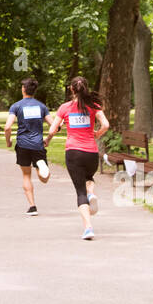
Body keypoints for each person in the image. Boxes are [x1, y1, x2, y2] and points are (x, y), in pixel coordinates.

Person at [47, 76, 110, 239]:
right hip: (91, 152)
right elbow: (106, 125)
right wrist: (97, 134)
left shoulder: (64, 108)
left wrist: (48, 139)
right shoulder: (94, 106)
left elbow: (52, 130)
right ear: (86, 88)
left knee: (79, 191)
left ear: (72, 89)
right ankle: (91, 193)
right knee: (89, 177)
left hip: (73, 152)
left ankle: (88, 228)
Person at [4, 77, 51, 215]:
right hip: (38, 144)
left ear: (23, 89)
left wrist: (8, 142)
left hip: (23, 144)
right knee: (44, 179)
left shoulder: (16, 106)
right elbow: (54, 125)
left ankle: (32, 206)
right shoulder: (42, 107)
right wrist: (48, 138)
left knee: (26, 176)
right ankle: (41, 165)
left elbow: (7, 127)